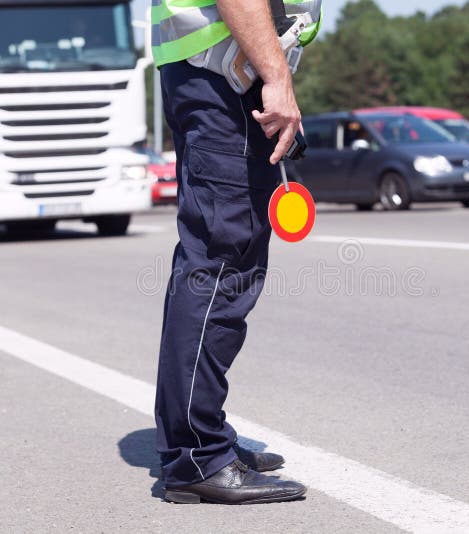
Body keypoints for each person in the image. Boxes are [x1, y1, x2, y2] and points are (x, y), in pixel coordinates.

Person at [150, 0, 320, 505]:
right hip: (225, 70)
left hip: (218, 66)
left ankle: (198, 439)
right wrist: (274, 75)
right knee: (221, 260)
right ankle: (197, 453)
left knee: (220, 257)